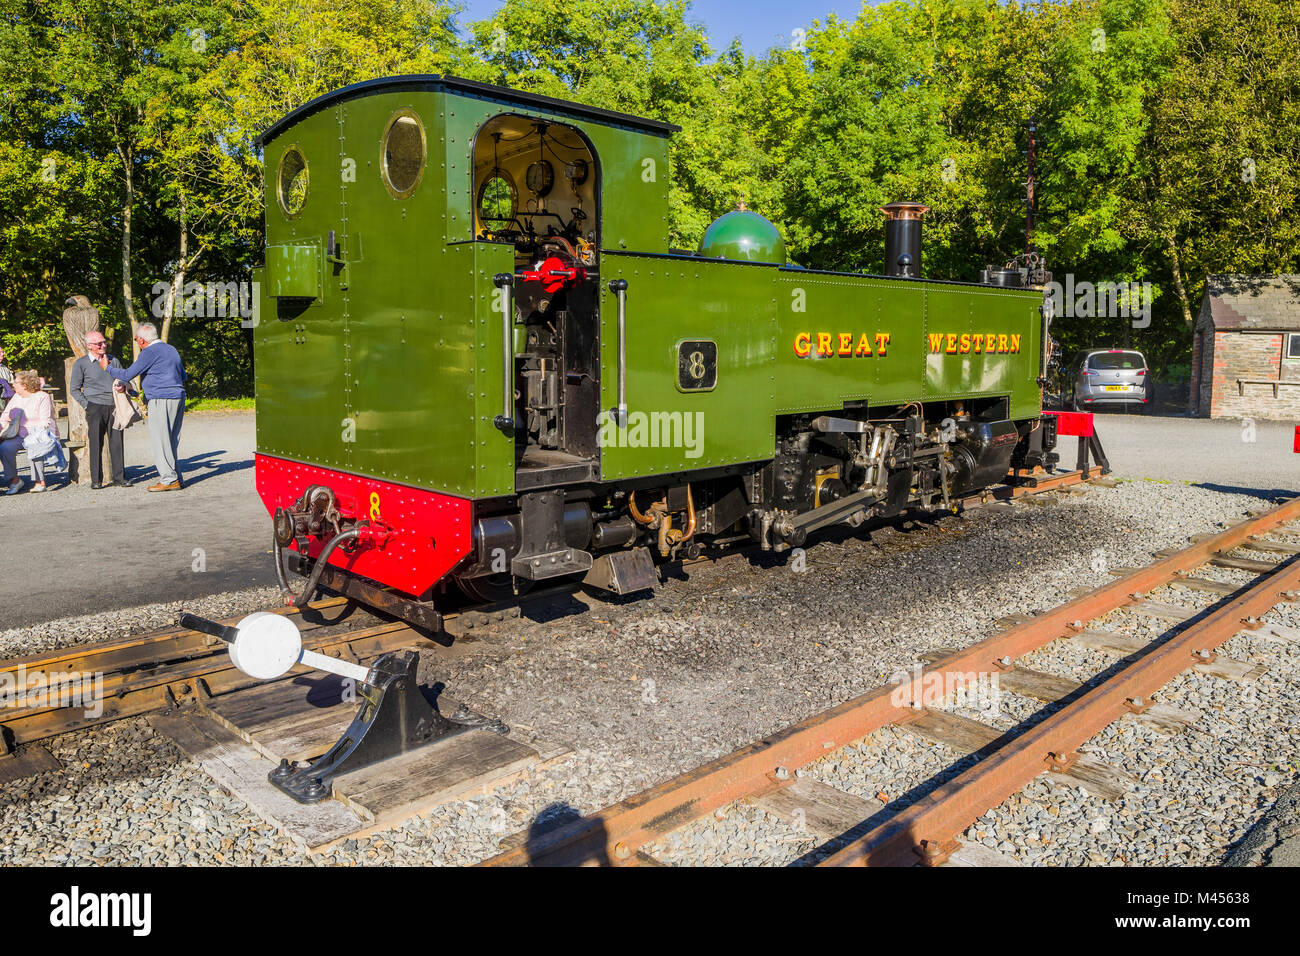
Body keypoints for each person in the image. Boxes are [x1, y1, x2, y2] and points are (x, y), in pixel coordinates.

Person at [107, 322, 186, 491]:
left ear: (142, 340)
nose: (137, 343)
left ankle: (168, 479)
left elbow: (128, 374)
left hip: (160, 397)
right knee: (171, 440)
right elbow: (182, 374)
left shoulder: (149, 352)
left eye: (136, 340)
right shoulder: (171, 349)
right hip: (178, 396)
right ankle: (176, 476)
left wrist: (107, 368)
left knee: (160, 440)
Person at [69, 330, 132, 488]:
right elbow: (74, 389)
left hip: (114, 405)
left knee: (117, 442)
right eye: (99, 343)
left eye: (104, 342)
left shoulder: (113, 360)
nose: (103, 345)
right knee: (95, 443)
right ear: (89, 346)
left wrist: (123, 385)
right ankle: (96, 480)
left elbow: (124, 377)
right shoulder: (81, 363)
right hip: (94, 406)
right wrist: (87, 405)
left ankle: (119, 478)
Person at [1, 369, 63, 494]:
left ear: (25, 385)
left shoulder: (42, 397)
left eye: (16, 382)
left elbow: (45, 421)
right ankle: (15, 481)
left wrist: (32, 434)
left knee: (34, 446)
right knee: (5, 448)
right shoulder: (16, 397)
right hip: (18, 434)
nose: (13, 384)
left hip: (38, 434)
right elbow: (4, 416)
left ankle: (40, 482)